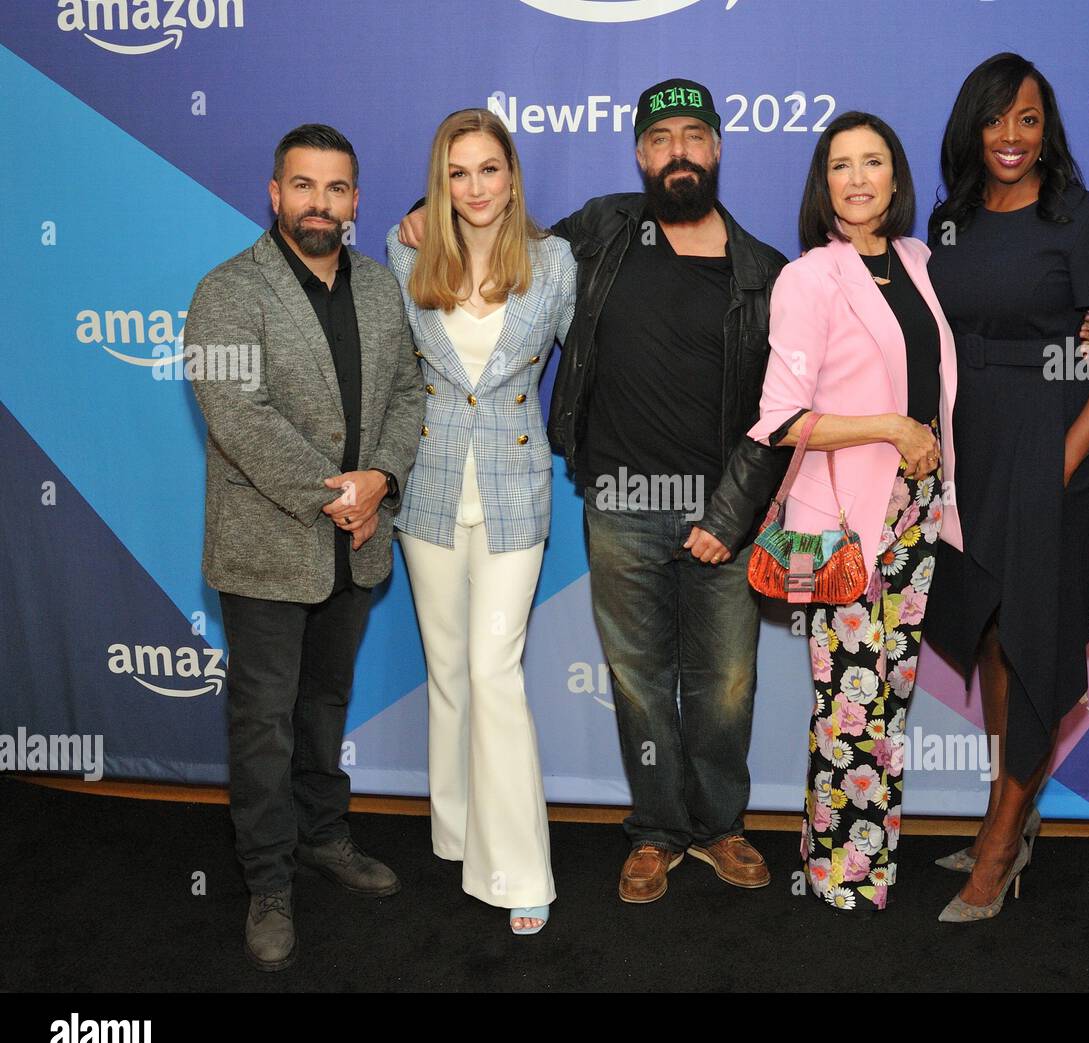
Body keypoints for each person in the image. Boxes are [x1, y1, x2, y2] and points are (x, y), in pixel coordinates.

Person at [400, 77, 789, 904]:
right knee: (638, 680)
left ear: (717, 147)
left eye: (692, 136)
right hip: (618, 504)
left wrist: (732, 513)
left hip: (724, 512)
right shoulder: (602, 231)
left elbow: (779, 413)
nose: (676, 152)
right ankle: (655, 832)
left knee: (725, 684)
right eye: (659, 140)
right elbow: (491, 226)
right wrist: (415, 211)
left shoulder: (764, 272)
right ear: (640, 155)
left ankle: (719, 824)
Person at [186, 124, 424, 970]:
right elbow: (238, 413)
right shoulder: (228, 290)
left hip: (356, 546)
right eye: (303, 186)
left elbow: (407, 391)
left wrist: (384, 477)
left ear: (355, 201)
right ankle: (268, 881)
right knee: (264, 723)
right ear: (274, 192)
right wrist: (341, 493)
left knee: (324, 706)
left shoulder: (379, 287)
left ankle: (324, 837)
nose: (319, 203)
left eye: (336, 189)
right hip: (270, 546)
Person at [924, 53, 1089, 921]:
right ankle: (1002, 810)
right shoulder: (951, 224)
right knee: (987, 629)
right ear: (970, 130)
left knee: (1032, 637)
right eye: (995, 119)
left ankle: (1001, 843)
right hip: (965, 448)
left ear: (1048, 126)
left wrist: (1060, 459)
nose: (1012, 137)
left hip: (1047, 441)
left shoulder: (1086, 222)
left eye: (1027, 118)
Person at [747, 112, 963, 912]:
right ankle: (841, 875)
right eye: (842, 165)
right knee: (848, 699)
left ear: (898, 179)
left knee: (889, 696)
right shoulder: (809, 278)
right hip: (841, 522)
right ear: (824, 182)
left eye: (875, 161)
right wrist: (892, 427)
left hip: (918, 513)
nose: (860, 177)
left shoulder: (920, 262)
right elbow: (781, 419)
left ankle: (860, 859)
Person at [387, 109, 575, 935]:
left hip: (513, 492)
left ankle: (518, 869)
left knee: (495, 668)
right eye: (457, 173)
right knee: (450, 669)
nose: (474, 188)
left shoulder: (554, 262)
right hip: (426, 493)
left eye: (488, 170)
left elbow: (596, 359)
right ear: (441, 179)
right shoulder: (403, 254)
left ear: (512, 172)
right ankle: (459, 828)